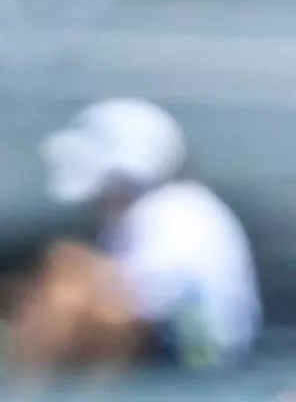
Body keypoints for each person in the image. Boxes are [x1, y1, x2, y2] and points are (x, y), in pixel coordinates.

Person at [7, 97, 260, 376]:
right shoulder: (154, 212)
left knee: (68, 276)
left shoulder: (177, 213)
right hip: (181, 358)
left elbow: (122, 307)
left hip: (194, 367)